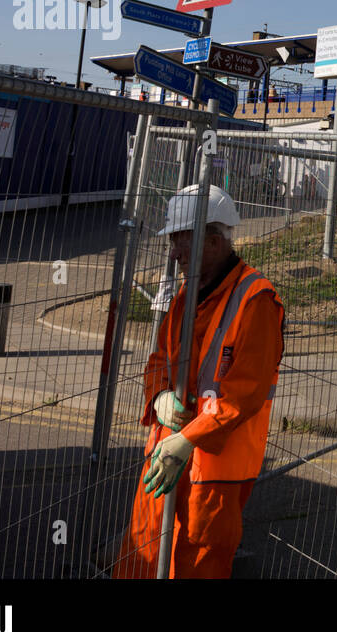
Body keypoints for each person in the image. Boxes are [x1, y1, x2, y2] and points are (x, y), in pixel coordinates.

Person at [110, 184, 285, 579]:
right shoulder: (189, 294)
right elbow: (160, 359)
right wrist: (158, 397)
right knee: (142, 556)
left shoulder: (256, 301)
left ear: (211, 241)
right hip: (167, 457)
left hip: (215, 472)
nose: (172, 253)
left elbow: (245, 393)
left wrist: (187, 439)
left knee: (198, 564)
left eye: (179, 241)